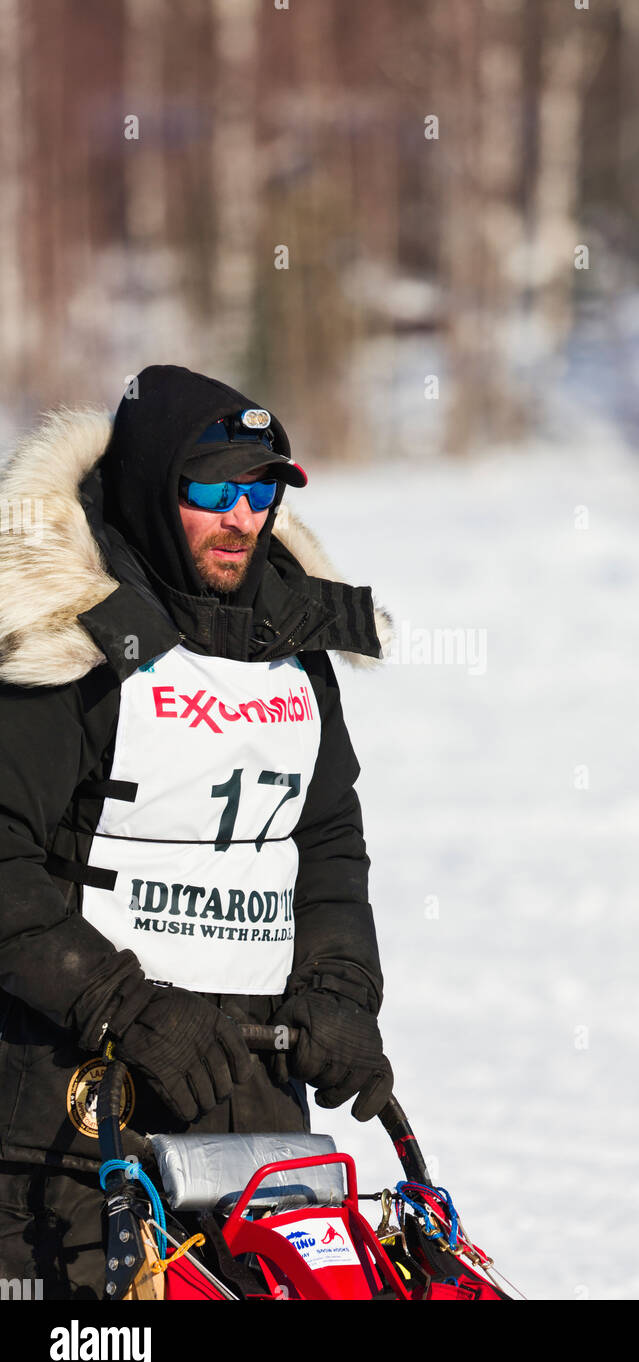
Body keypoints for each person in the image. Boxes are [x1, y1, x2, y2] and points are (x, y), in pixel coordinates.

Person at [0, 364, 394, 1298]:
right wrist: (123, 1008)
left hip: (252, 1110)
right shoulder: (67, 637)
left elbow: (326, 842)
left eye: (262, 491)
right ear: (148, 488)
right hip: (74, 1114)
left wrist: (341, 994)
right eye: (212, 490)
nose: (241, 517)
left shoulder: (289, 640)